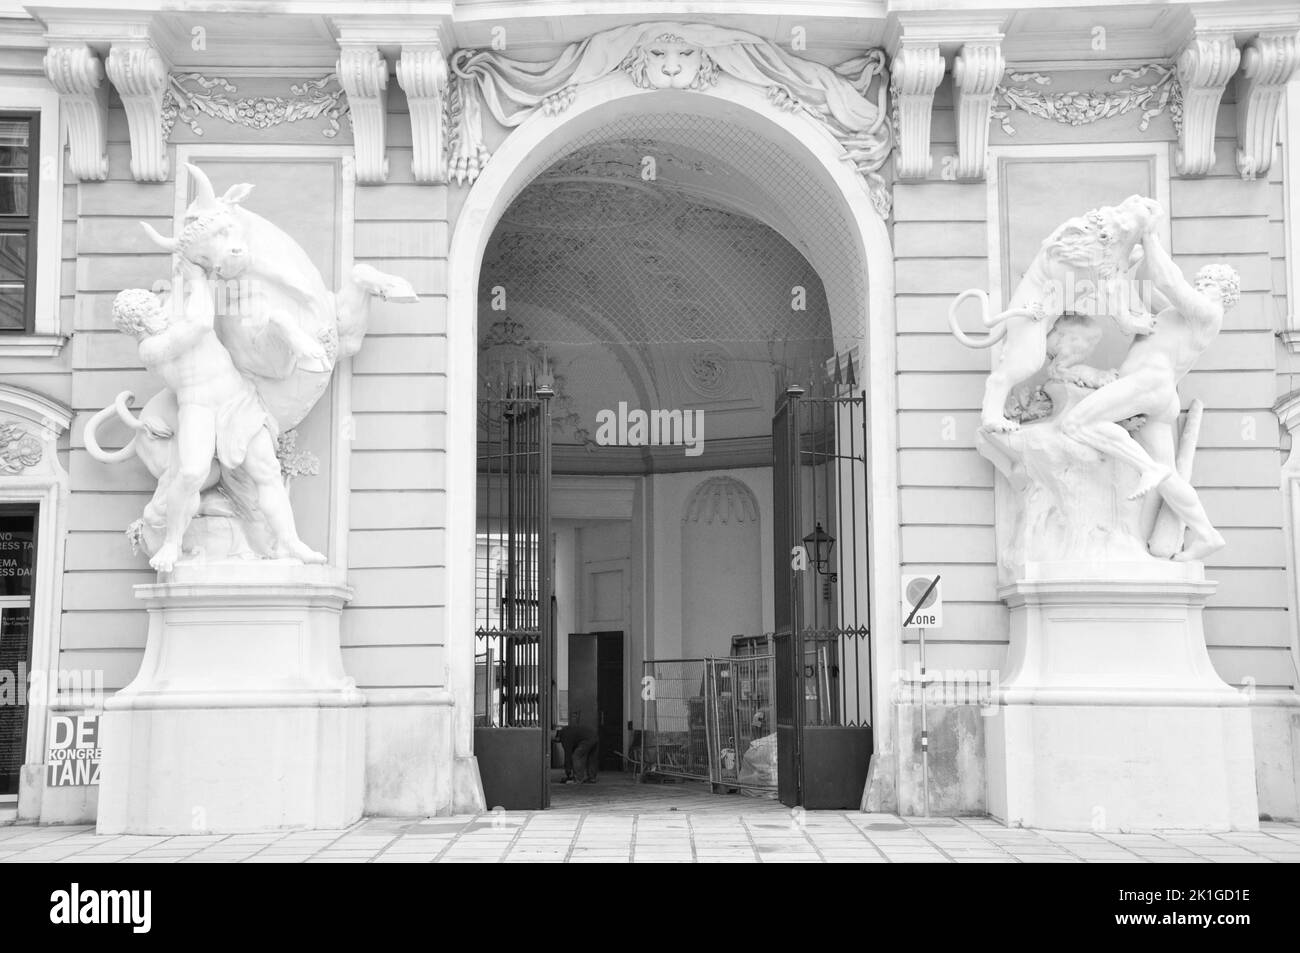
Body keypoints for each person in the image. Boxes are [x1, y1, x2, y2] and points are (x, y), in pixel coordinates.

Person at [111, 258, 329, 572]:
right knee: (190, 474)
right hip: (197, 408)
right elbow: (200, 324)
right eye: (151, 315)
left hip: (237, 399)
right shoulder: (152, 347)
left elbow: (189, 296)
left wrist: (193, 264)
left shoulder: (174, 314)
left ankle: (290, 541)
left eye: (157, 308)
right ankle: (172, 543)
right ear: (139, 327)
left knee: (266, 470)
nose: (160, 314)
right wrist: (198, 278)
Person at [1058, 230, 1240, 561]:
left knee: (1074, 423)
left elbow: (1169, 280)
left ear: (1224, 294)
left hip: (1148, 383)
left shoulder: (1208, 314)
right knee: (1168, 473)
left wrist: (1150, 232)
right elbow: (1149, 287)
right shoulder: (1179, 314)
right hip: (1157, 395)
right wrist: (1133, 258)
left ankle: (1144, 468)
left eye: (1209, 284)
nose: (1201, 287)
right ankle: (1206, 534)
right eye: (1200, 282)